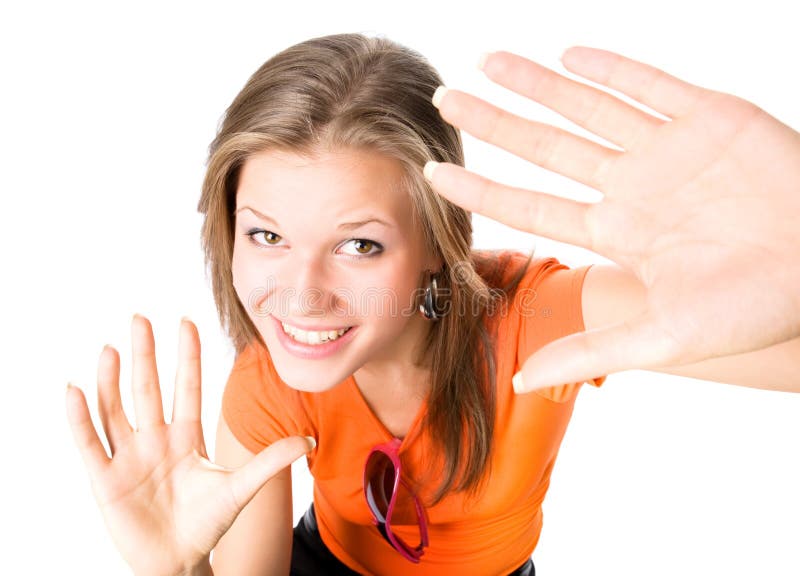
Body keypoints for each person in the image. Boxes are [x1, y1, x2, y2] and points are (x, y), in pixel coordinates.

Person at [64, 33, 800, 576]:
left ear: (439, 245)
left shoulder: (528, 317)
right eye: (266, 234)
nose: (300, 293)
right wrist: (175, 572)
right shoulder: (268, 381)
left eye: (360, 246)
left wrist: (789, 256)